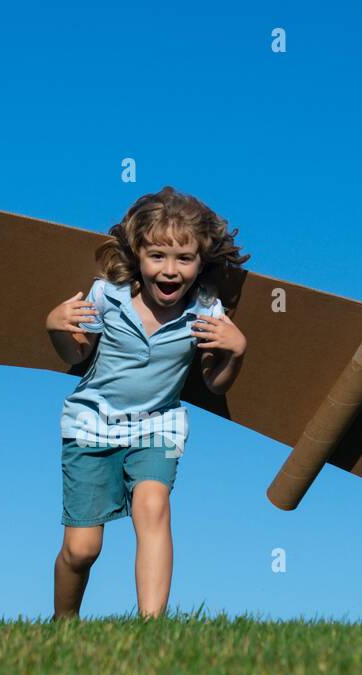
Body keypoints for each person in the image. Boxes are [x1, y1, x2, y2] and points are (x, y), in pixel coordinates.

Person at [45, 186, 250, 620]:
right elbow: (75, 356)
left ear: (201, 262)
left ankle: (152, 627)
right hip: (91, 424)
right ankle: (62, 627)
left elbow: (215, 383)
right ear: (137, 254)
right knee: (82, 550)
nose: (170, 269)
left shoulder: (205, 312)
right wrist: (55, 327)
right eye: (157, 256)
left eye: (184, 258)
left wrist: (236, 350)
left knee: (154, 506)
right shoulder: (107, 297)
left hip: (155, 427)